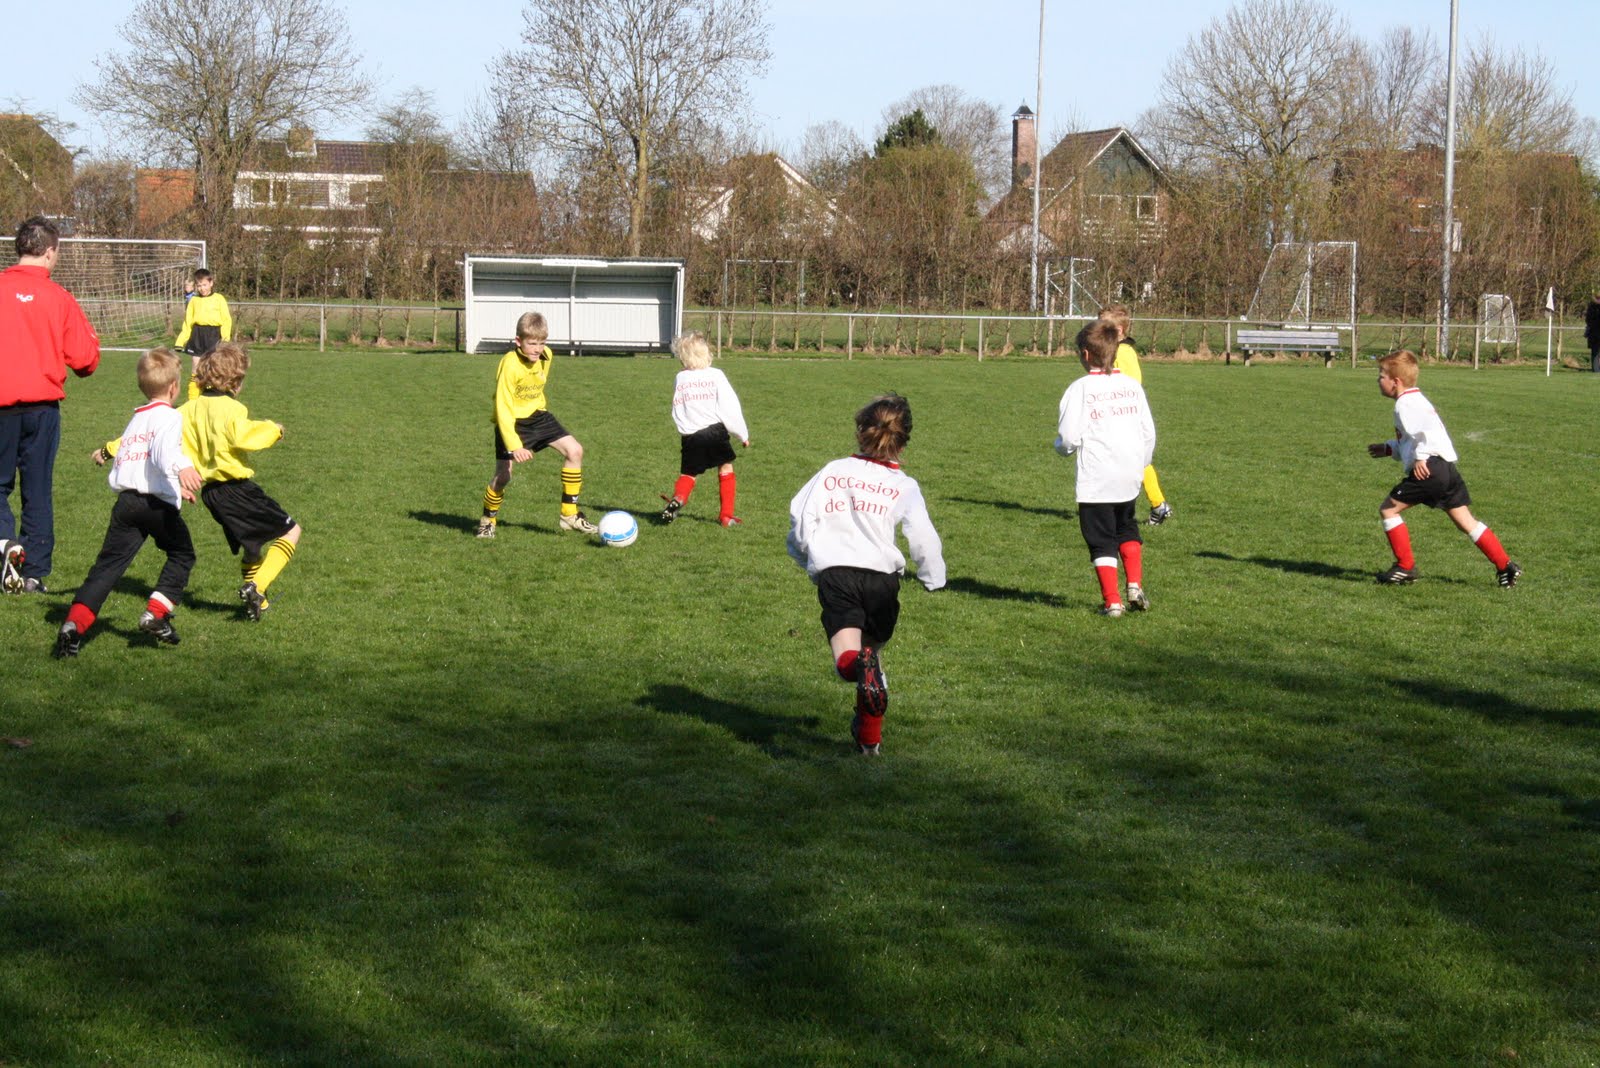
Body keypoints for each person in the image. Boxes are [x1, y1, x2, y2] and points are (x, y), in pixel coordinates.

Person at [787, 394, 945, 755]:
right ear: (903, 441)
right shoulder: (904, 485)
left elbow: (800, 516)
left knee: (851, 662)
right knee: (872, 655)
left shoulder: (833, 470)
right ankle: (869, 740)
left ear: (860, 431)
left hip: (837, 574)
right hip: (881, 581)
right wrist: (933, 577)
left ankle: (859, 676)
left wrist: (806, 558)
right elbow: (923, 538)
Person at [53, 349, 203, 657]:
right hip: (154, 506)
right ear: (175, 387)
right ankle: (156, 614)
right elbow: (163, 455)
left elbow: (136, 460)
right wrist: (183, 469)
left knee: (107, 568)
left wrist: (176, 486)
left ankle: (73, 625)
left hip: (126, 503)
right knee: (182, 554)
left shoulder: (137, 419)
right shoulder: (170, 417)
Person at [0, 215, 101, 594]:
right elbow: (86, 361)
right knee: (37, 489)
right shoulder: (58, 297)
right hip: (41, 407)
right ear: (49, 251)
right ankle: (33, 573)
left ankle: (4, 544)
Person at [1366, 349, 1520, 588]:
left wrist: (1421, 457)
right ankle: (1506, 566)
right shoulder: (1416, 399)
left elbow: (1426, 435)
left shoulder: (1405, 404)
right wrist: (1388, 448)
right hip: (1445, 468)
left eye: (1381, 376)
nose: (1378, 380)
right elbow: (1414, 439)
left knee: (1388, 510)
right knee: (1466, 521)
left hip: (1430, 469)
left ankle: (1405, 567)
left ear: (1395, 382)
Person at [184, 342, 303, 620]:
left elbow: (162, 434)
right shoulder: (232, 409)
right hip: (237, 489)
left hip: (212, 495)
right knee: (292, 531)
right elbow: (243, 435)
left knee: (252, 549)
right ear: (235, 381)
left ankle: (257, 605)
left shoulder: (189, 410)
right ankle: (256, 586)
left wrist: (111, 449)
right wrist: (274, 430)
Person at [1055, 320, 1157, 617]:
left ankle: (1113, 602)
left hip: (1097, 478)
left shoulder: (1080, 389)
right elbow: (1148, 432)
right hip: (1129, 474)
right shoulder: (1131, 387)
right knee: (1126, 526)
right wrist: (1142, 464)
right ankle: (1135, 584)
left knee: (1101, 538)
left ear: (1085, 355)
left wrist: (1061, 448)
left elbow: (1069, 437)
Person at [476, 311, 599, 537]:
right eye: (532, 343)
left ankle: (569, 515)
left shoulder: (547, 355)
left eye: (542, 343)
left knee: (575, 451)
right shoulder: (509, 365)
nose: (537, 349)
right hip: (512, 421)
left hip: (539, 416)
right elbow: (502, 407)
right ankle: (488, 520)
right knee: (503, 476)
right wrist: (515, 445)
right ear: (518, 342)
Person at [658, 331, 750, 527]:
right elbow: (730, 405)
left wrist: (685, 430)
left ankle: (679, 499)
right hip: (714, 431)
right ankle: (726, 516)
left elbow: (679, 407)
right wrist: (742, 433)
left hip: (690, 434)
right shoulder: (716, 375)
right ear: (706, 354)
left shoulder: (680, 378)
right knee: (725, 467)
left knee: (688, 474)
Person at [1099, 304, 1172, 525]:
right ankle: (1156, 505)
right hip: (1121, 413)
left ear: (1119, 331)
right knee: (1133, 461)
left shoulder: (1123, 352)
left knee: (1133, 461)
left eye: (1104, 327)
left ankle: (1156, 505)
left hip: (1126, 415)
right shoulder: (1116, 350)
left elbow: (1130, 384)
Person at [174, 268, 232, 399]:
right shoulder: (194, 300)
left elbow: (226, 320)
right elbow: (188, 322)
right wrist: (180, 341)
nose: (202, 288)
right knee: (196, 369)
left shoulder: (219, 299)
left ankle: (213, 399)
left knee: (214, 370)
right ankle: (192, 402)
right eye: (199, 285)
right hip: (197, 335)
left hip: (214, 336)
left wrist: (225, 340)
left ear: (211, 283)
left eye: (204, 285)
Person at [1584, 293, 1600, 374]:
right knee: (1595, 352)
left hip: (1593, 332)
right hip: (1595, 333)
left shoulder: (1591, 307)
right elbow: (1588, 319)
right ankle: (1596, 369)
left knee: (1595, 353)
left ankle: (1596, 369)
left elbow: (1587, 319)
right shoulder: (1592, 307)